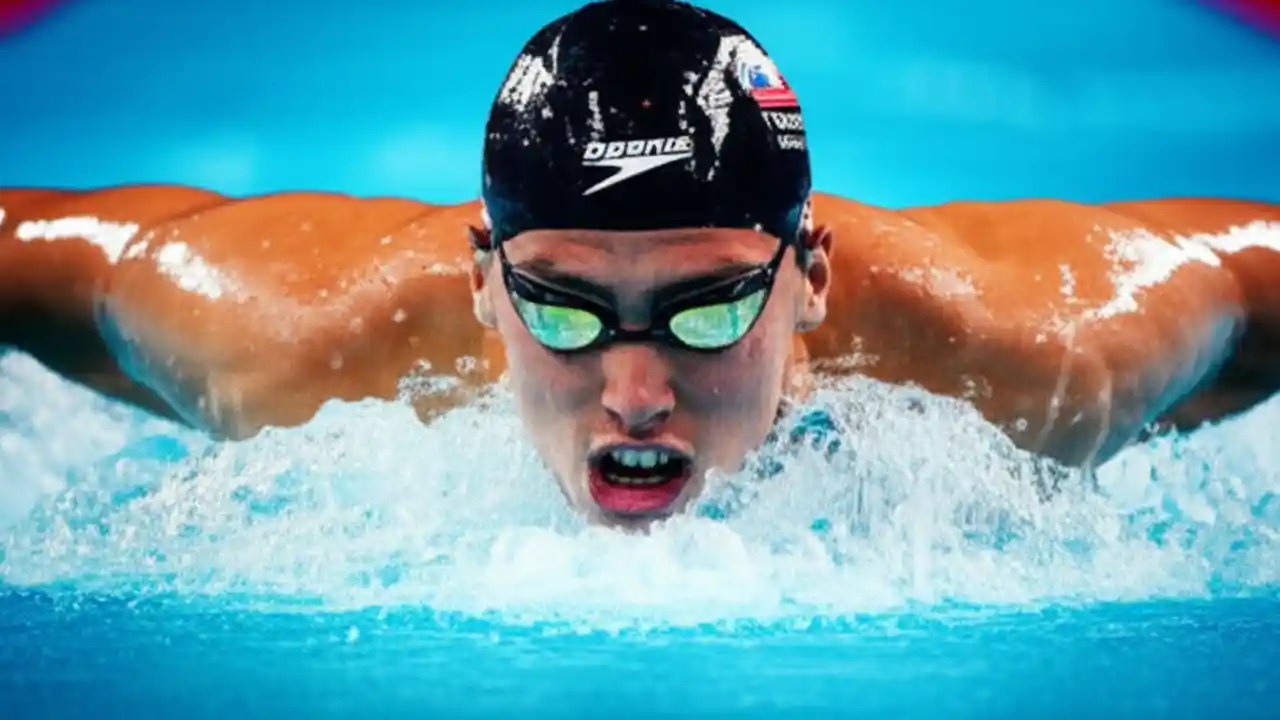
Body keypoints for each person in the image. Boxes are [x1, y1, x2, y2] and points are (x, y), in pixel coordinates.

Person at [1, 0, 1278, 525]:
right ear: (482, 281)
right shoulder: (295, 341)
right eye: (561, 312)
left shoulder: (1020, 352)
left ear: (811, 276)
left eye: (707, 309)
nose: (631, 392)